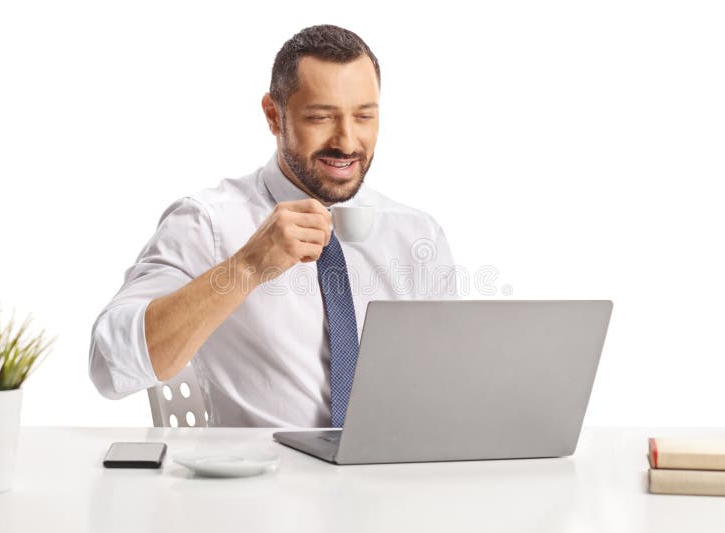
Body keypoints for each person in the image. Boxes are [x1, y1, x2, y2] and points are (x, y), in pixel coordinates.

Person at [88, 24, 456, 427]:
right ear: (273, 116)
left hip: (391, 479)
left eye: (364, 116)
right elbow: (110, 366)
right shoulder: (207, 221)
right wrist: (245, 268)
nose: (348, 141)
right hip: (262, 484)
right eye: (321, 117)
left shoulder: (417, 235)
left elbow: (451, 385)